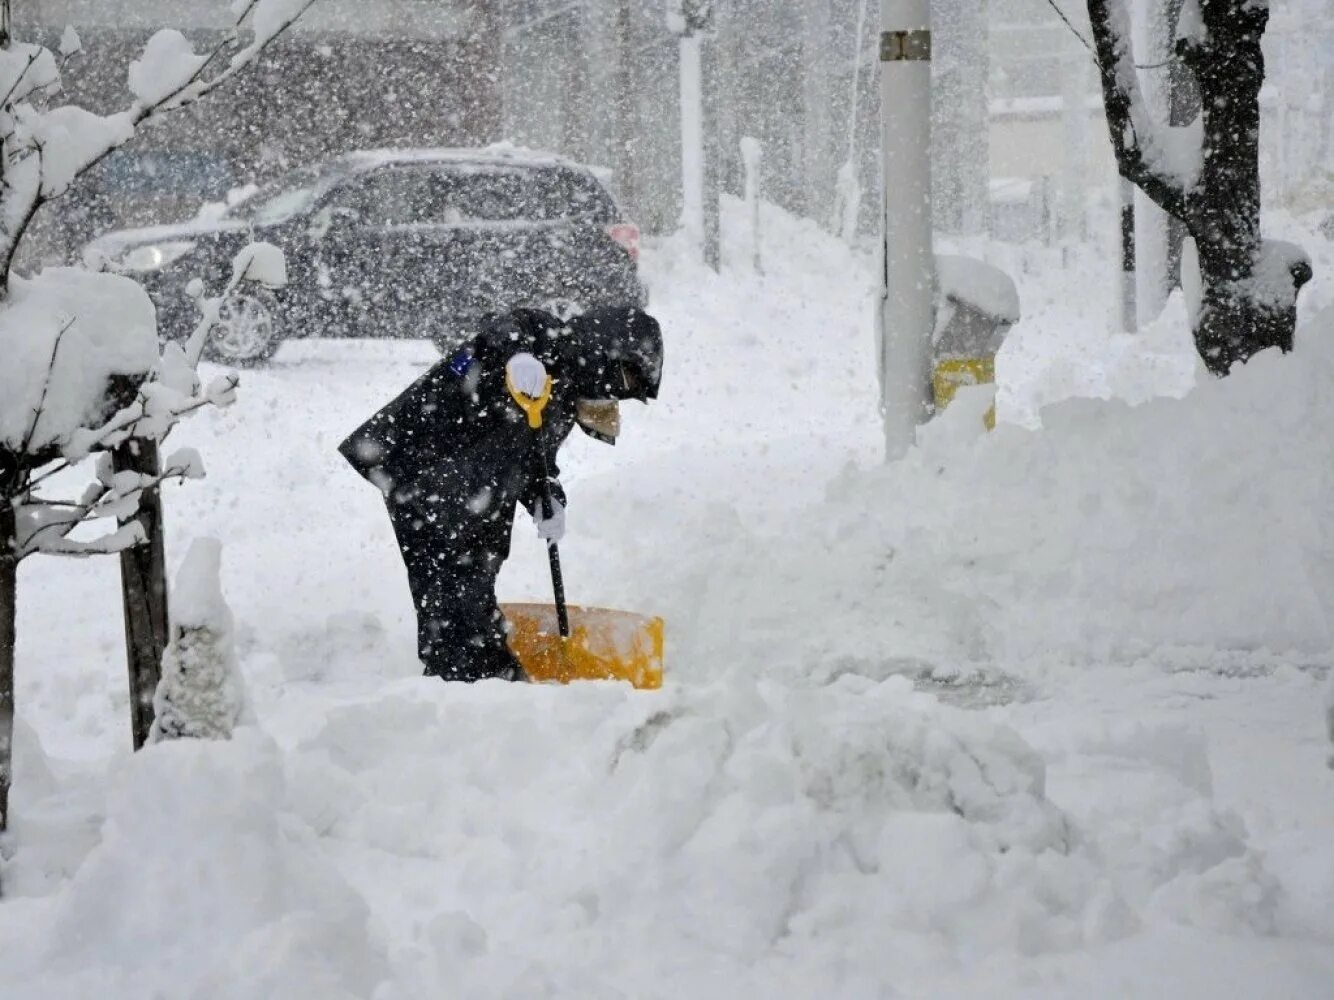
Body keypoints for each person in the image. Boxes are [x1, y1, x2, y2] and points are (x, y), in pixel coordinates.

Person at [338, 306, 663, 682]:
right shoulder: (542, 335)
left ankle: (466, 675)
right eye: (622, 377)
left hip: (470, 483)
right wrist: (519, 355)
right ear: (606, 348)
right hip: (426, 465)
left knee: (467, 575)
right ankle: (476, 676)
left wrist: (547, 495)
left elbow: (536, 459)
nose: (615, 392)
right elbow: (504, 325)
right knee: (457, 577)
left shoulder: (563, 399)